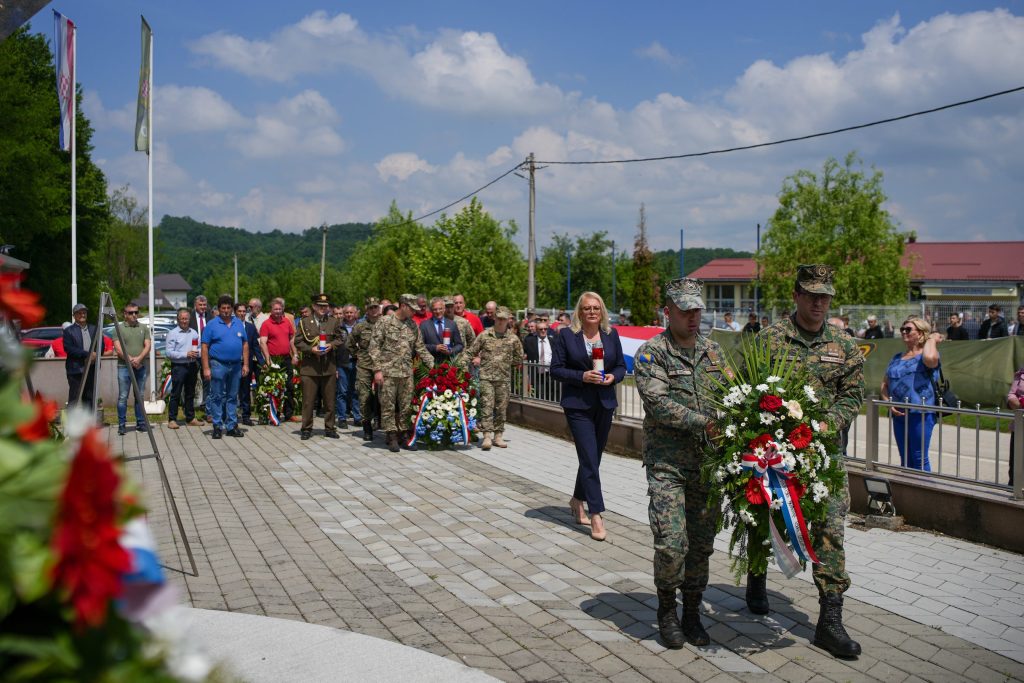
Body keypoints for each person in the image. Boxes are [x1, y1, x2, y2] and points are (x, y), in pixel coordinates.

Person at [745, 264, 864, 659]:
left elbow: (852, 394)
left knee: (831, 528)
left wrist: (830, 421)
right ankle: (758, 573)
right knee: (770, 517)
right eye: (812, 294)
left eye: (825, 295)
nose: (819, 302)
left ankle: (830, 620)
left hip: (823, 455)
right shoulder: (770, 339)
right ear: (796, 295)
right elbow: (748, 388)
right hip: (776, 454)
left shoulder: (844, 345)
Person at [634, 277, 723, 648]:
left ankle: (692, 612)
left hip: (707, 464)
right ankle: (667, 610)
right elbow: (657, 403)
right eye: (685, 310)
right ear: (668, 312)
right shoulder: (652, 353)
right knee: (672, 543)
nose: (692, 317)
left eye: (696, 310)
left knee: (701, 544)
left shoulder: (715, 352)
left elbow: (731, 395)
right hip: (668, 464)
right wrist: (705, 422)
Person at [550, 291, 627, 542]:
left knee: (592, 458)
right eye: (586, 308)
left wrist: (614, 377)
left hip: (605, 403)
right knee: (589, 457)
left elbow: (620, 366)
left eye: (596, 308)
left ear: (602, 311)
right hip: (578, 405)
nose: (591, 312)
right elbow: (557, 370)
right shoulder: (566, 336)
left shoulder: (611, 334)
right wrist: (582, 376)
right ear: (579, 312)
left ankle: (576, 499)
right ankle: (596, 514)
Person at [370, 294, 433, 452]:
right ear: (403, 306)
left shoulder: (413, 325)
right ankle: (391, 436)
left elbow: (420, 348)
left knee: (405, 406)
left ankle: (404, 435)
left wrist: (435, 366)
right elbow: (374, 347)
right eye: (412, 309)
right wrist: (377, 370)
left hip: (406, 373)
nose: (415, 312)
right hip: (387, 373)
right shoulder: (385, 322)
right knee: (388, 406)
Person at [881, 317, 942, 471]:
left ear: (921, 333)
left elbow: (930, 358)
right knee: (905, 459)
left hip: (920, 413)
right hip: (899, 414)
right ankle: (907, 493)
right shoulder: (896, 358)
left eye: (908, 329)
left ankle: (924, 493)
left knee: (919, 458)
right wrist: (888, 403)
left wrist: (932, 339)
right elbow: (884, 384)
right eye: (902, 329)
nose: (903, 332)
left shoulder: (926, 355)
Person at [467, 306, 524, 451]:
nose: (501, 322)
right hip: (486, 377)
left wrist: (504, 364)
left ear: (508, 320)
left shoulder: (513, 339)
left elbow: (518, 358)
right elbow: (471, 351)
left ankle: (498, 435)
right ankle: (486, 436)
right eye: (499, 318)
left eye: (504, 319)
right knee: (486, 406)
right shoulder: (485, 335)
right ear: (495, 318)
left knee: (501, 407)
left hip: (503, 378)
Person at [294, 294, 344, 440]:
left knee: (330, 401)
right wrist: (311, 349)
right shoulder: (304, 322)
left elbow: (340, 338)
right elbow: (298, 341)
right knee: (309, 401)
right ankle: (306, 428)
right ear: (314, 307)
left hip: (328, 367)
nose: (323, 308)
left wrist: (331, 345)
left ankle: (330, 428)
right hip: (310, 367)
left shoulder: (333, 321)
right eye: (320, 306)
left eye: (326, 306)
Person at [201, 294, 249, 439]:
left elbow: (245, 344)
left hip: (235, 366)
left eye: (228, 308)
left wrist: (245, 364)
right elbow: (204, 347)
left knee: (232, 397)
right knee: (216, 396)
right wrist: (206, 368)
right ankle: (217, 425)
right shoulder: (212, 324)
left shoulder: (238, 323)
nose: (226, 311)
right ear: (219, 309)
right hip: (218, 364)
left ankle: (231, 426)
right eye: (223, 308)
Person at [259, 298, 301, 423]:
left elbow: (292, 339)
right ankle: (274, 414)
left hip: (286, 358)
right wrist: (268, 360)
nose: (277, 311)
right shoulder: (266, 324)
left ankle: (289, 414)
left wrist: (295, 355)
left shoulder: (287, 322)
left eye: (279, 309)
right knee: (275, 388)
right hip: (274, 360)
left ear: (282, 309)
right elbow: (263, 342)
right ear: (271, 310)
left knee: (289, 386)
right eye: (275, 309)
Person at [113, 303, 152, 436]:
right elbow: (118, 349)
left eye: (136, 312)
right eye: (131, 313)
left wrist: (139, 359)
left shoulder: (143, 327)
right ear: (125, 314)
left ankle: (141, 423)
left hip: (140, 367)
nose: (134, 315)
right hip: (124, 367)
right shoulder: (118, 328)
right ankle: (122, 425)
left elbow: (148, 345)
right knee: (123, 397)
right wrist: (131, 360)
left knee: (139, 396)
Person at [348, 297, 382, 440]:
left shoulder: (385, 324)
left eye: (375, 307)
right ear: (366, 310)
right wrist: (358, 356)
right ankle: (367, 427)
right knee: (364, 396)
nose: (373, 310)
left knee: (383, 396)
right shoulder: (360, 326)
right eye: (370, 308)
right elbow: (349, 344)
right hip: (365, 366)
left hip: (382, 366)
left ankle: (380, 421)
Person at [164, 308, 201, 428]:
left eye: (186, 319)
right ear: (178, 320)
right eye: (182, 319)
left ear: (189, 320)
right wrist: (186, 354)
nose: (184, 321)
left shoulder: (194, 333)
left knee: (190, 393)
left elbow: (200, 349)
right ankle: (172, 419)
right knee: (176, 393)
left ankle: (190, 418)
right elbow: (169, 353)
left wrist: (197, 353)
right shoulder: (172, 333)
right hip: (179, 366)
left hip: (192, 366)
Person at [235, 302, 265, 427]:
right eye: (239, 311)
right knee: (233, 389)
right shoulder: (230, 326)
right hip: (234, 362)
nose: (242, 314)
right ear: (235, 312)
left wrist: (262, 362)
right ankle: (230, 414)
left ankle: (246, 415)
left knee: (246, 389)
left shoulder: (251, 327)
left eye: (244, 311)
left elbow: (256, 347)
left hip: (248, 363)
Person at [63, 303, 98, 408]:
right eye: (79, 313)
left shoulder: (93, 328)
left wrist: (97, 354)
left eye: (84, 312)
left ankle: (88, 423)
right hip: (76, 370)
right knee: (75, 399)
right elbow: (69, 348)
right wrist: (87, 354)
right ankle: (72, 423)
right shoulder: (69, 331)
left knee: (89, 398)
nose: (82, 315)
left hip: (91, 369)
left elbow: (101, 344)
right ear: (74, 315)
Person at [335, 303, 361, 427]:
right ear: (343, 314)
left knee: (356, 391)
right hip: (342, 362)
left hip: (357, 362)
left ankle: (357, 417)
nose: (349, 315)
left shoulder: (361, 326)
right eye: (347, 312)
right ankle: (342, 418)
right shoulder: (338, 327)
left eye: (351, 312)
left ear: (355, 313)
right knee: (342, 391)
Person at [189, 295, 214, 421]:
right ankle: (190, 413)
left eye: (205, 305)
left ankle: (208, 411)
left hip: (208, 355)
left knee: (208, 383)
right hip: (193, 355)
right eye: (201, 305)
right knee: (191, 383)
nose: (203, 307)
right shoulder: (189, 317)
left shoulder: (211, 317)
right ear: (195, 305)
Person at [420, 296, 464, 364]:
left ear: (444, 309)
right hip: (430, 365)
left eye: (440, 309)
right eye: (435, 309)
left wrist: (451, 351)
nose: (438, 311)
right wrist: (435, 348)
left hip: (448, 364)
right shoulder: (424, 325)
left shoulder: (452, 324)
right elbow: (420, 346)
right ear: (431, 310)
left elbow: (459, 345)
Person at [523, 313, 554, 400]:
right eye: (541, 329)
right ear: (536, 330)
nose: (543, 331)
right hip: (537, 374)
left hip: (551, 374)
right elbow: (524, 354)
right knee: (540, 396)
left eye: (545, 329)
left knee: (552, 396)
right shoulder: (529, 341)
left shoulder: (553, 341)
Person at [446, 295, 475, 370]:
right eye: (447, 307)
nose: (449, 309)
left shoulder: (463, 322)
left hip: (461, 363)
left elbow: (473, 342)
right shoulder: (438, 322)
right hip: (443, 363)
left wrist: (465, 358)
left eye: (451, 306)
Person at [1007, 366, 1023, 486]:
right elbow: (1011, 395)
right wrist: (1018, 403)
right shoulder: (1021, 374)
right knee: (1015, 461)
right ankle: (1013, 487)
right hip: (1019, 425)